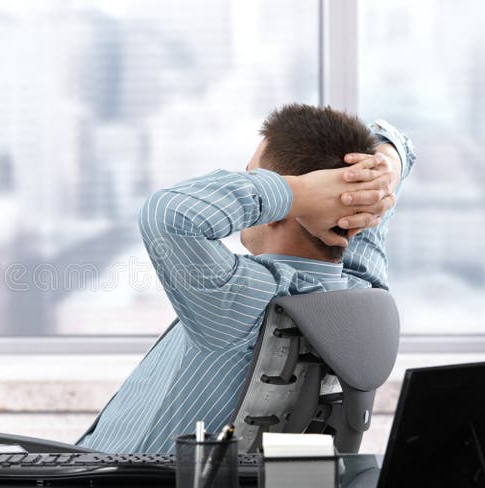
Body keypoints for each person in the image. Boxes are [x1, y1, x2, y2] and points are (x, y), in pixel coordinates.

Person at [76, 104, 416, 454]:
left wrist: (293, 194)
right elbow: (399, 143)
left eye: (256, 180)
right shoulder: (359, 292)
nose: (251, 188)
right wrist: (375, 176)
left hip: (103, 486)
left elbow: (167, 214)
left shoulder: (239, 300)